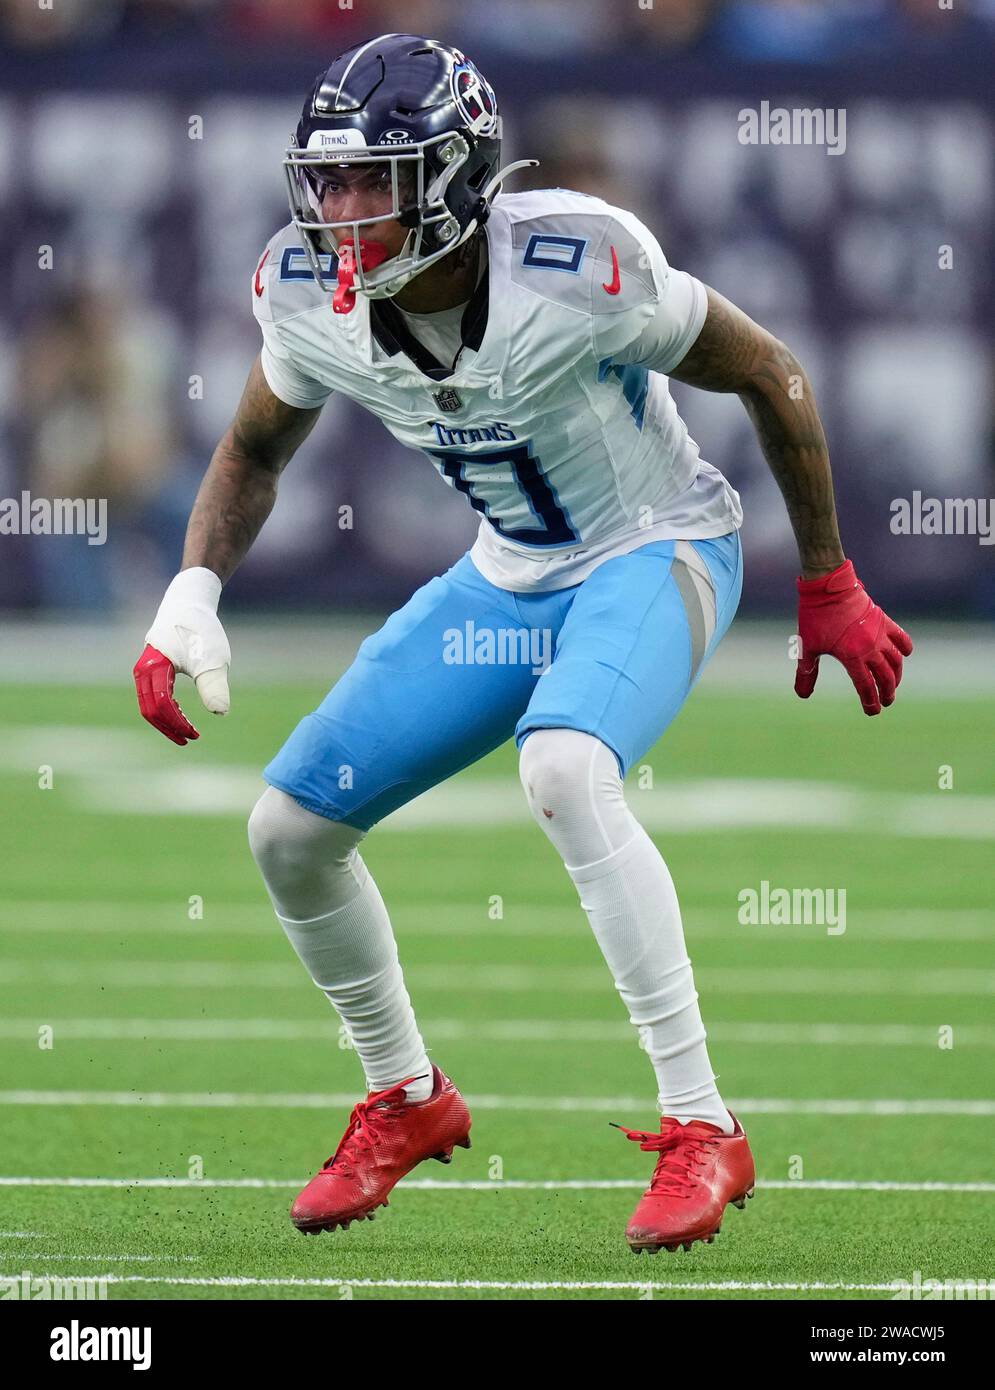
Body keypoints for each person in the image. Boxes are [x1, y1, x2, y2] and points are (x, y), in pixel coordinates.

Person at [134, 34, 912, 1254]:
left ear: (450, 178)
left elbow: (768, 370)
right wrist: (190, 592)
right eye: (325, 183)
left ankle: (703, 1122)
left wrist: (828, 575)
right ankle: (404, 1092)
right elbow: (253, 449)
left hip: (652, 544)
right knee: (287, 830)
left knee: (562, 768)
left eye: (369, 184)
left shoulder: (575, 263)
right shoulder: (304, 292)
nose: (337, 214)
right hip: (509, 574)